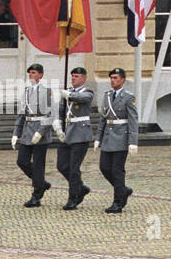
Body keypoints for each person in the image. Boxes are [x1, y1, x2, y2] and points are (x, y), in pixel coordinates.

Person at [12, 63, 56, 207]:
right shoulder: (26, 91)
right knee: (22, 161)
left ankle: (37, 195)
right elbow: (21, 114)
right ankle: (41, 183)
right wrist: (15, 133)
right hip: (27, 130)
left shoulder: (47, 91)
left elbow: (50, 115)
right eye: (30, 73)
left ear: (41, 75)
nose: (31, 75)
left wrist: (41, 132)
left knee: (38, 165)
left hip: (40, 131)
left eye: (34, 73)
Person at [95, 67, 138, 213]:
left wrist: (133, 141)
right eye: (111, 78)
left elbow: (133, 119)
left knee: (117, 170)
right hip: (108, 137)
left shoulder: (128, 96)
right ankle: (123, 190)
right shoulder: (107, 95)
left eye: (116, 78)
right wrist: (98, 138)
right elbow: (103, 117)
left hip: (121, 137)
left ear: (123, 80)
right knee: (104, 167)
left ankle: (118, 202)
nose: (113, 81)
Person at [54, 66, 95, 210]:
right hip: (67, 132)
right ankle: (81, 187)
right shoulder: (68, 93)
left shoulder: (87, 91)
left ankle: (73, 197)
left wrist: (68, 95)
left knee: (73, 168)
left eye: (77, 76)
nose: (73, 78)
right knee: (61, 165)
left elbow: (85, 98)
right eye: (72, 76)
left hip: (80, 133)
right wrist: (58, 124)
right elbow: (61, 111)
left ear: (83, 78)